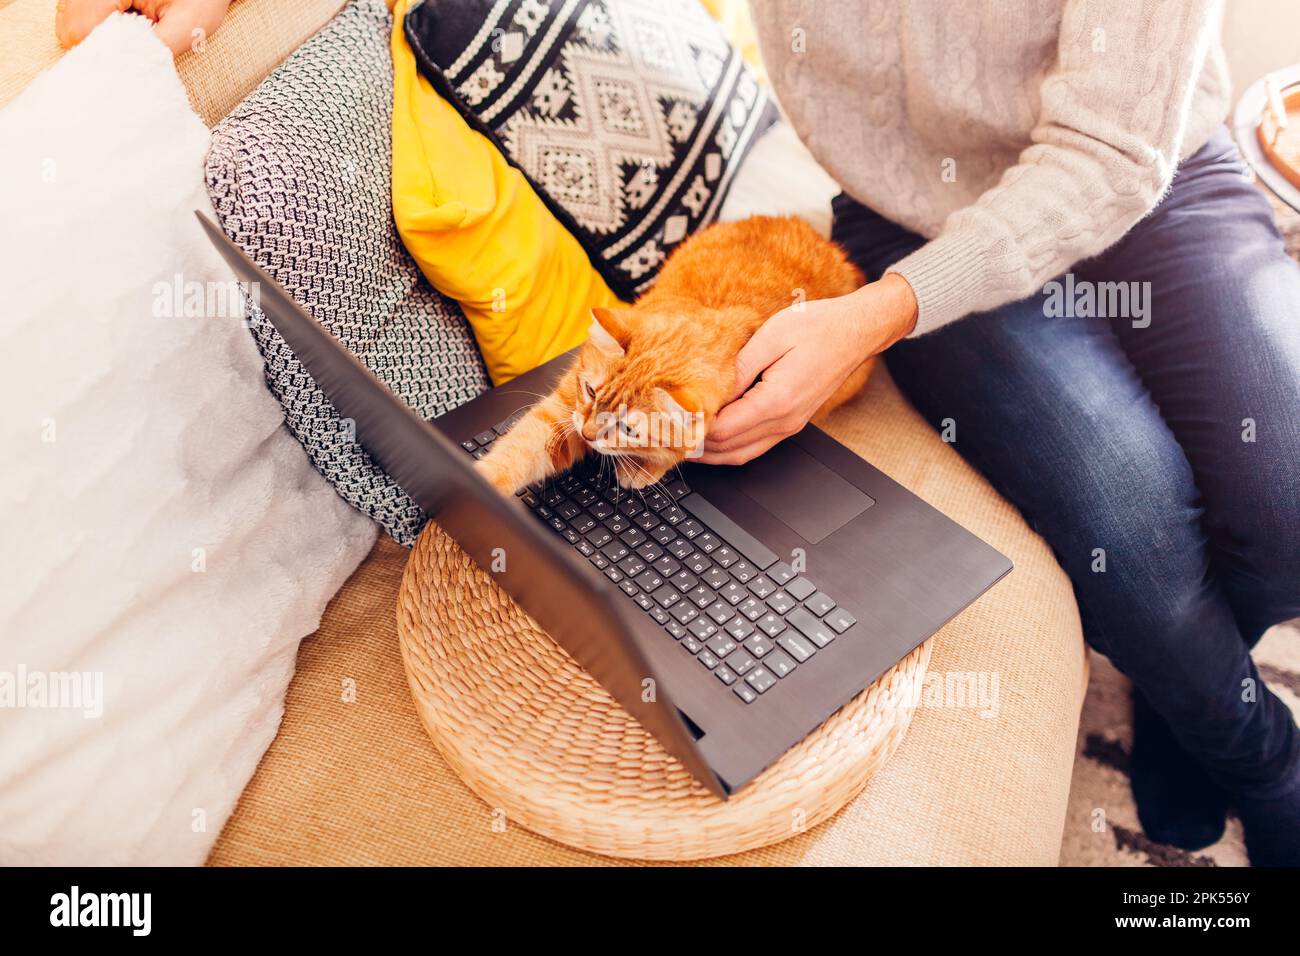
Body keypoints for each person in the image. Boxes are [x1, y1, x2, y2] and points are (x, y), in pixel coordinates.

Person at [58, 0, 1300, 865]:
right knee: (1132, 523)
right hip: (912, 217)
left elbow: (1107, 151)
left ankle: (1195, 690)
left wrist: (870, 319)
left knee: (1285, 496)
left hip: (1148, 174)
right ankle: (1255, 750)